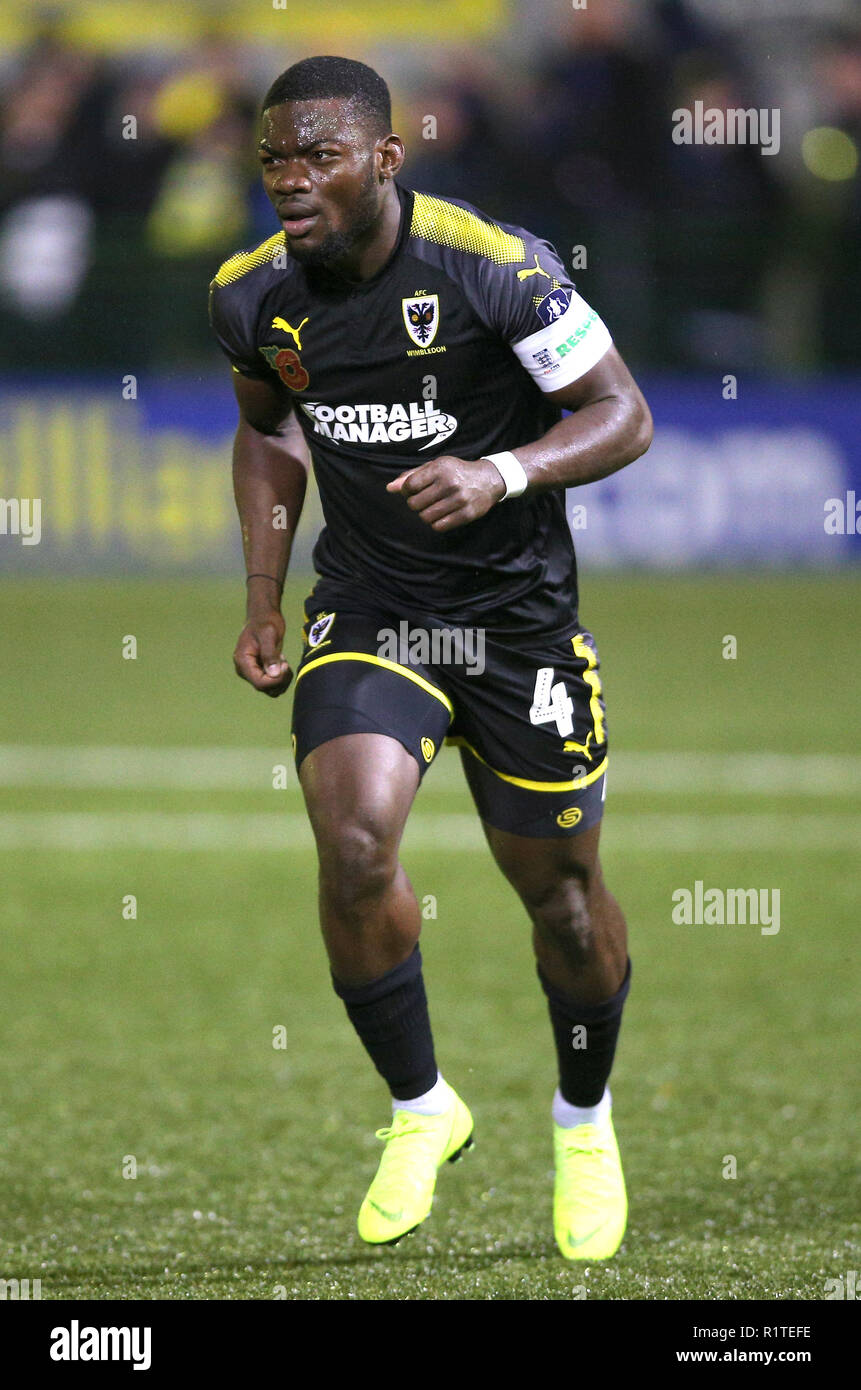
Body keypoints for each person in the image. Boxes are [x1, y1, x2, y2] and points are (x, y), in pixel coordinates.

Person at [209, 55, 652, 1261]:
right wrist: (263, 593)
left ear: (384, 160)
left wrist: (503, 471)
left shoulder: (493, 266)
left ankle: (583, 1120)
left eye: (319, 158)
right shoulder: (252, 296)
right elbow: (266, 436)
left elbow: (623, 413)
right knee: (353, 844)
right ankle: (421, 1107)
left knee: (562, 902)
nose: (290, 184)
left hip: (519, 627)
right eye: (274, 163)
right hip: (374, 608)